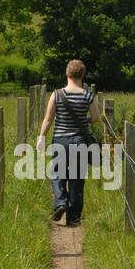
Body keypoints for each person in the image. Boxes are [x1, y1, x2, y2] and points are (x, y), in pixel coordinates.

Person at [36, 59, 101, 227]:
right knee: (77, 179)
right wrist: (83, 119)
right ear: (82, 75)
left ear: (67, 74)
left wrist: (41, 137)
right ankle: (73, 219)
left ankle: (60, 202)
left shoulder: (57, 94)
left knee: (57, 173)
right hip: (80, 141)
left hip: (60, 140)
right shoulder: (88, 95)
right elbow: (96, 118)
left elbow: (48, 119)